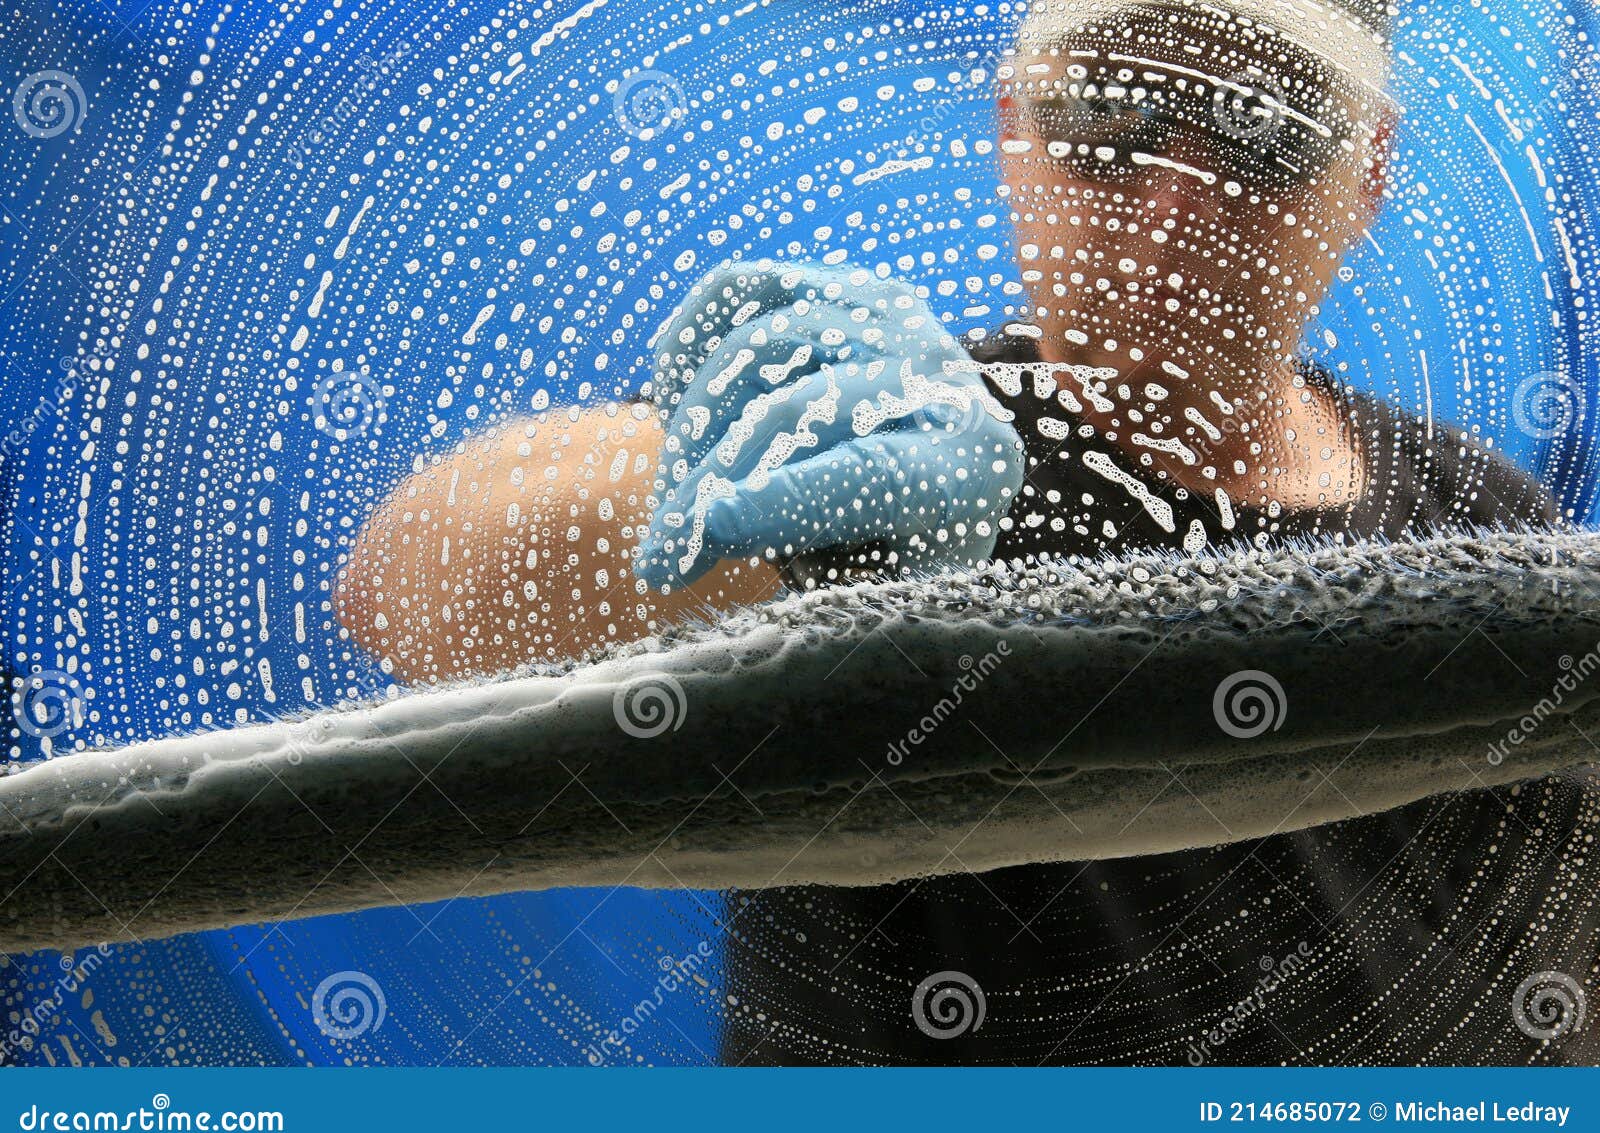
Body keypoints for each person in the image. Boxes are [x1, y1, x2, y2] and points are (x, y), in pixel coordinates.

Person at [337, 0, 1573, 1063]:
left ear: (1367, 171)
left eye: (1265, 134)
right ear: (1011, 130)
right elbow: (415, 590)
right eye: (1110, 118)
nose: (1172, 220)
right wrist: (732, 494)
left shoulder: (1490, 518)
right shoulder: (894, 475)